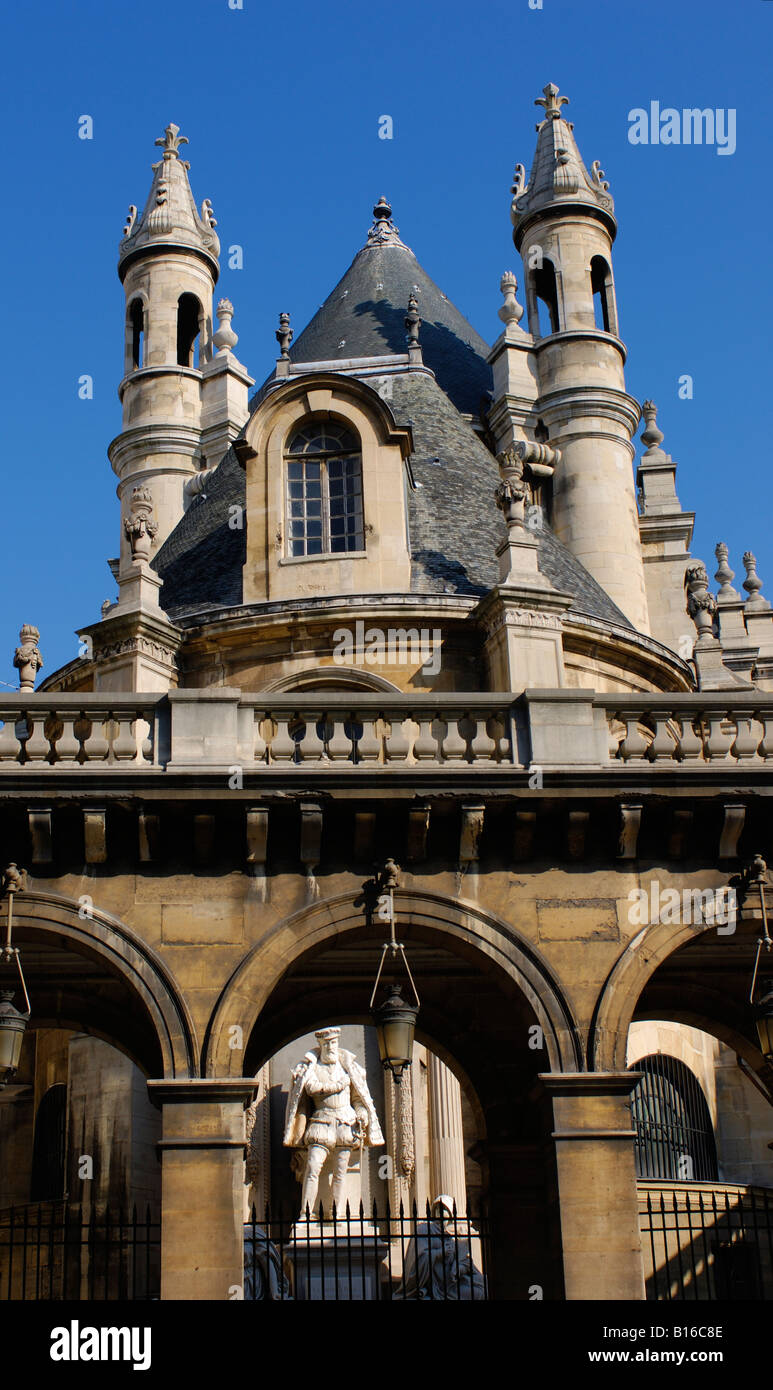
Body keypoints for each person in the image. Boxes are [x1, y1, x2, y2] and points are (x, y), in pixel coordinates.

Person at [283, 1026, 384, 1217]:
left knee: (341, 1171)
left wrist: (362, 1113)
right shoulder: (311, 1069)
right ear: (320, 1045)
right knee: (312, 1168)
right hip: (321, 1122)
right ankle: (306, 1212)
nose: (331, 1047)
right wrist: (338, 1085)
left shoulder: (349, 1069)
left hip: (345, 1123)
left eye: (334, 1043)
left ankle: (336, 1212)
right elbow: (312, 1089)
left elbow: (357, 1098)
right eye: (327, 1043)